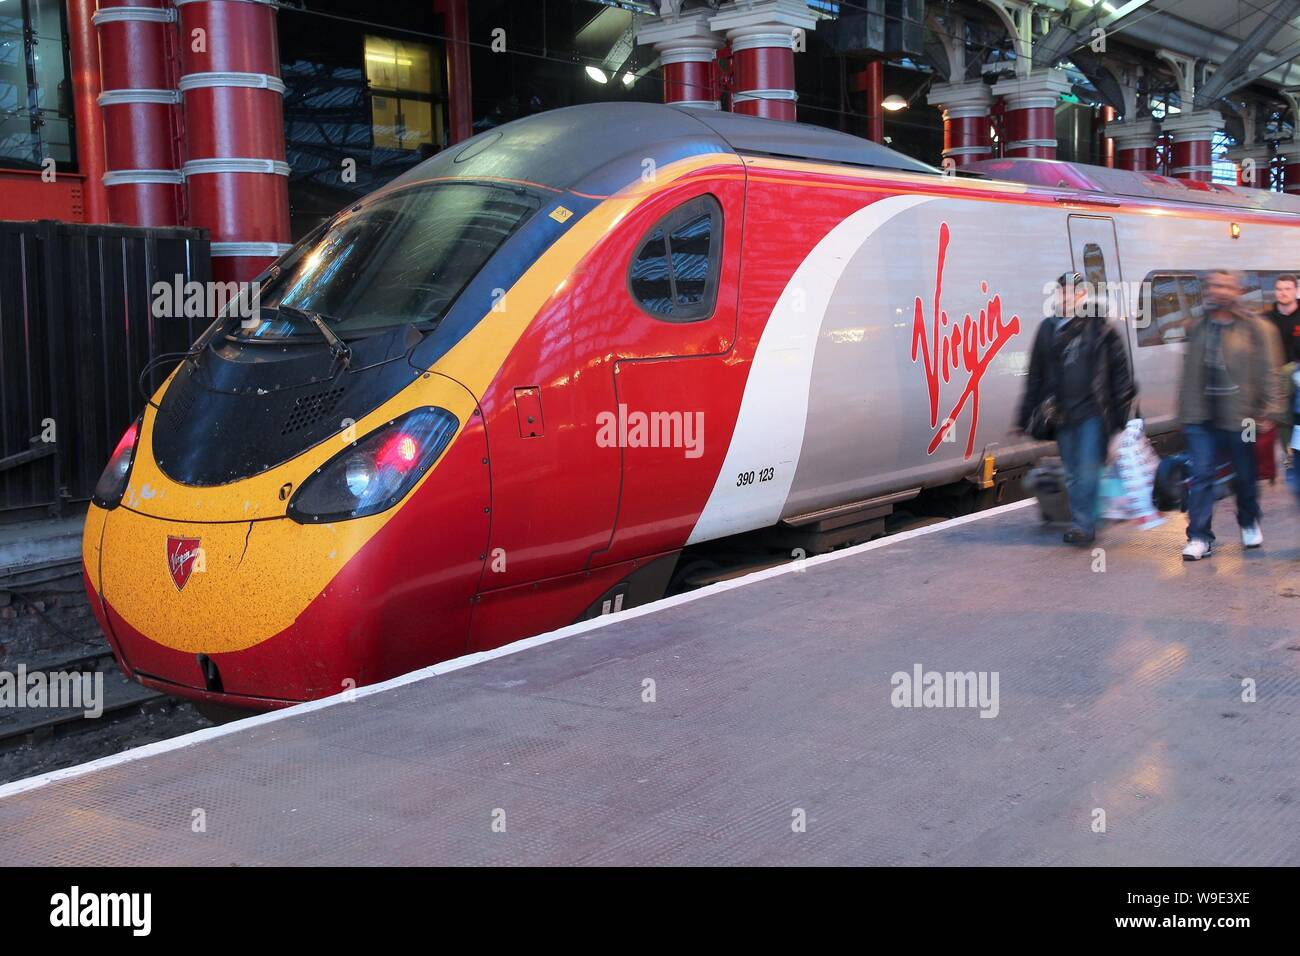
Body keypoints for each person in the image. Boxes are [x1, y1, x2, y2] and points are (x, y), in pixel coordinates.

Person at [1016, 272, 1136, 545]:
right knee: (1072, 472)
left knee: (1087, 469)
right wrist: (1024, 416)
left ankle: (1084, 525)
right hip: (1062, 414)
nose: (1068, 296)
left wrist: (1122, 419)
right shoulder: (1048, 328)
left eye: (1074, 291)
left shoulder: (1101, 329)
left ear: (1084, 295)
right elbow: (1035, 373)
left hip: (1094, 413)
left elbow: (1120, 375)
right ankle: (1086, 518)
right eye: (1064, 291)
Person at [1176, 270, 1284, 560]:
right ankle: (1199, 537)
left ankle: (1249, 521)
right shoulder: (1198, 327)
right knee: (1200, 475)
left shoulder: (1256, 328)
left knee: (1245, 474)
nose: (1219, 291)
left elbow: (1269, 372)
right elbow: (1188, 374)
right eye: (1214, 286)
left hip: (1244, 416)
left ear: (1236, 291)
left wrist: (1269, 411)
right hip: (1201, 418)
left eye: (1225, 286)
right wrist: (1184, 414)